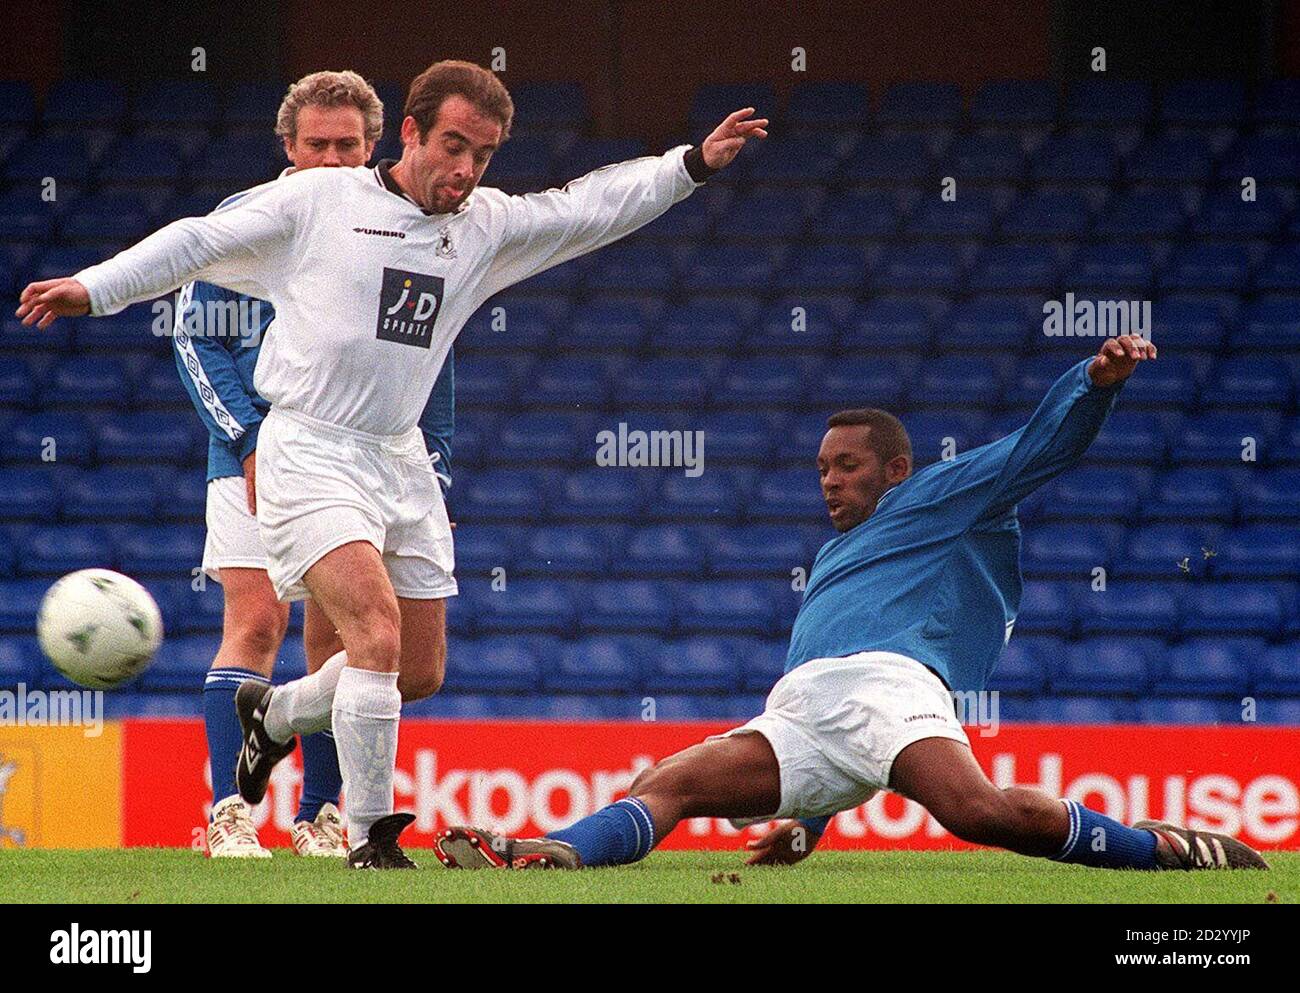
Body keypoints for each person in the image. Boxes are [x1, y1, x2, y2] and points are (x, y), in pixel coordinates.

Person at [16, 59, 767, 869]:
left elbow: (584, 208)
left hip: (397, 455)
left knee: (417, 668)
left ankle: (271, 717)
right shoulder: (320, 200)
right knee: (370, 631)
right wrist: (95, 287)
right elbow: (198, 239)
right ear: (409, 133)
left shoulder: (483, 226)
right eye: (452, 146)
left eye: (483, 154)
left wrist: (687, 167)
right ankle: (369, 834)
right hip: (306, 443)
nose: (466, 169)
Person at [432, 335, 1270, 873]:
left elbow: (1034, 451)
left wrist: (1093, 382)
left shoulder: (939, 496)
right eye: (822, 469)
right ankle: (553, 853)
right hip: (801, 707)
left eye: (847, 466)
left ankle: (1164, 850)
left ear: (896, 469)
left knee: (979, 812)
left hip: (892, 689)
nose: (830, 481)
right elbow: (838, 738)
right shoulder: (839, 554)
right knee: (669, 779)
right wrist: (809, 822)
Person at [175, 70, 455, 858]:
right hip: (251, 447)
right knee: (257, 619)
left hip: (364, 457)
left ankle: (324, 814)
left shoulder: (407, 223)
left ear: (374, 145)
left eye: (348, 145)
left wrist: (434, 470)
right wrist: (247, 440)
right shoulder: (248, 219)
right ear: (288, 149)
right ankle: (229, 811)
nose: (332, 158)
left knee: (345, 641)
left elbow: (426, 359)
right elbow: (197, 339)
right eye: (316, 145)